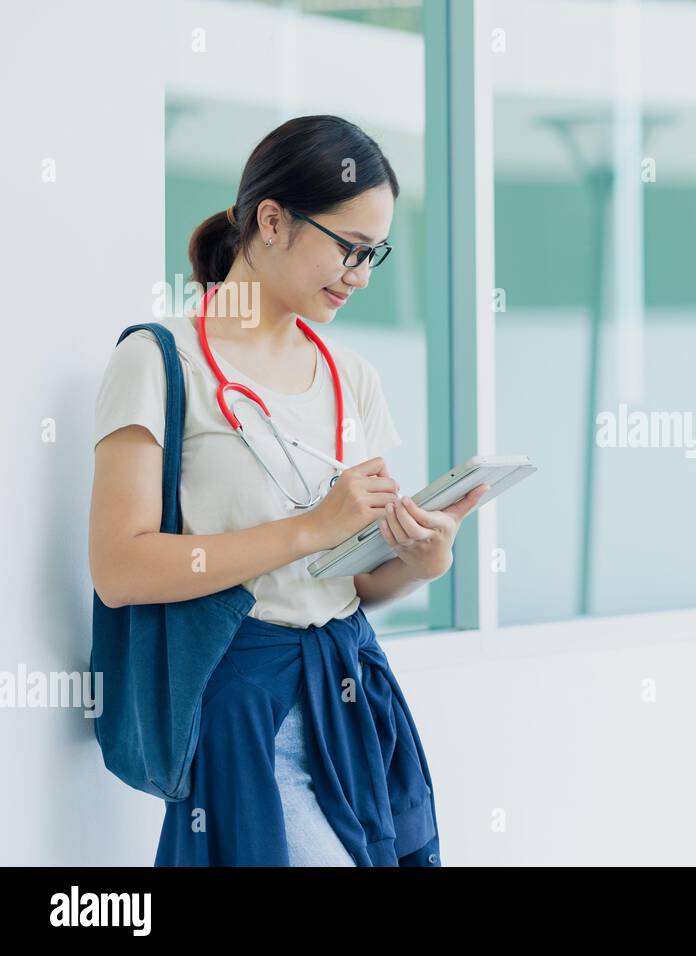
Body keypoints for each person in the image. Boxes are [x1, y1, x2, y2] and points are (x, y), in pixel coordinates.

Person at [88, 114, 487, 866]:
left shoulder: (352, 380)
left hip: (352, 709)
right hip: (245, 713)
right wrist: (310, 527)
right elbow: (119, 569)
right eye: (349, 248)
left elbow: (355, 581)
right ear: (271, 220)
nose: (362, 276)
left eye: (375, 254)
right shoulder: (159, 360)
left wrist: (425, 560)